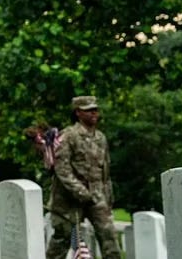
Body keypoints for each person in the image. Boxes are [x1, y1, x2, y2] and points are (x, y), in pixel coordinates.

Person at [45, 96, 121, 259]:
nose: (94, 113)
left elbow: (105, 171)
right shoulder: (68, 136)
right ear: (78, 113)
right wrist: (81, 192)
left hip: (96, 196)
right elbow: (62, 169)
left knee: (109, 237)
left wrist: (107, 197)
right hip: (68, 199)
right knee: (62, 240)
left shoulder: (100, 137)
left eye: (95, 110)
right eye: (89, 110)